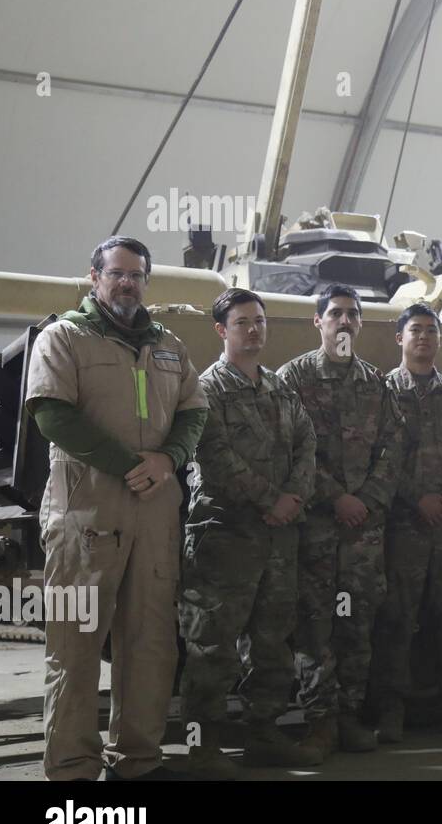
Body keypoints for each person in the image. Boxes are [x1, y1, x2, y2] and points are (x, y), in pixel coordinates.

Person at [25, 236, 208, 780]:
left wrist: (170, 458)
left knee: (150, 644)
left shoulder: (170, 345)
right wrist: (131, 463)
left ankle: (137, 761)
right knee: (75, 651)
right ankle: (73, 768)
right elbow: (51, 413)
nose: (127, 282)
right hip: (85, 517)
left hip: (154, 515)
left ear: (147, 281)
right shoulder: (65, 337)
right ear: (95, 276)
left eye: (137, 275)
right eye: (117, 273)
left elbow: (194, 412)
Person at [181, 288, 320, 779]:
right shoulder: (206, 388)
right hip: (226, 535)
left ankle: (263, 733)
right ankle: (203, 745)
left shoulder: (280, 387)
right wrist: (270, 501)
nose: (254, 330)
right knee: (211, 644)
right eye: (242, 322)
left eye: (259, 321)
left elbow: (307, 444)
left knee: (272, 642)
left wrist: (294, 499)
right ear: (222, 330)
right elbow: (214, 459)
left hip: (279, 539)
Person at [278, 284, 402, 756]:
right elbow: (291, 451)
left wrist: (365, 499)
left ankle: (350, 716)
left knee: (357, 627)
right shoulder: (292, 380)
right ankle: (319, 722)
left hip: (364, 534)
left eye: (352, 314)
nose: (344, 320)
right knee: (315, 627)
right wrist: (337, 499)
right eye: (335, 313)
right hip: (317, 529)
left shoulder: (376, 383)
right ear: (318, 321)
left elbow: (393, 450)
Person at [369, 303, 442, 741]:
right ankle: (391, 708)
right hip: (402, 526)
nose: (424, 337)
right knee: (397, 620)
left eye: (431, 331)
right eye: (415, 330)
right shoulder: (380, 393)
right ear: (399, 338)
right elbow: (375, 457)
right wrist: (416, 497)